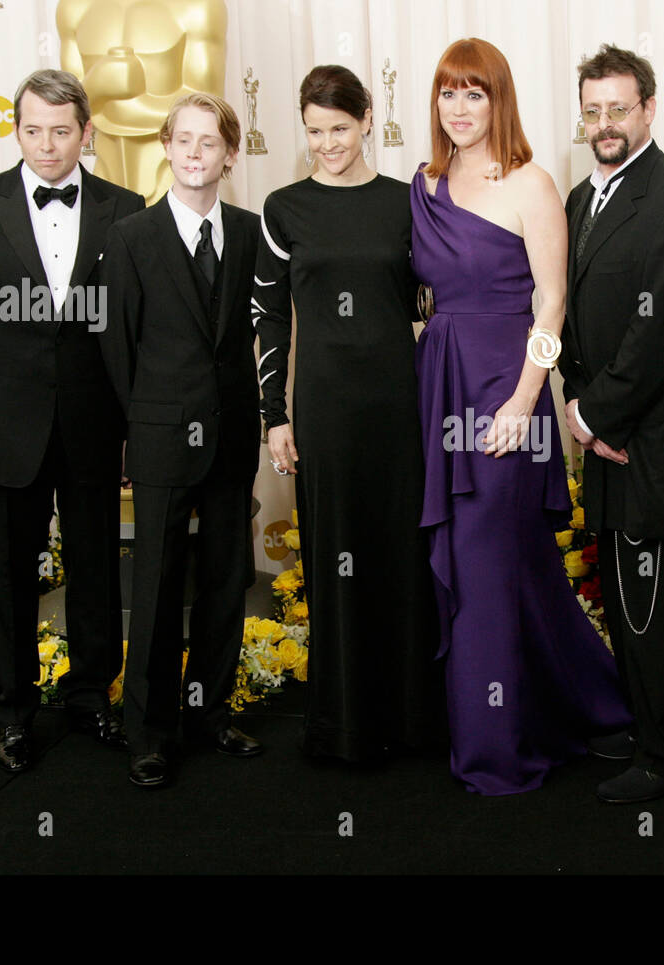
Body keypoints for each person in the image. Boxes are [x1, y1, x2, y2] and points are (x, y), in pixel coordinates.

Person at [411, 37, 631, 795]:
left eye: (475, 93)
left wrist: (525, 398)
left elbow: (553, 300)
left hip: (510, 388)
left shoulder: (532, 183)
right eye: (448, 93)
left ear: (498, 99)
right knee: (516, 571)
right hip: (441, 378)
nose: (460, 108)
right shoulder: (425, 181)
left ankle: (495, 751)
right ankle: (578, 698)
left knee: (485, 566)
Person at [0, 69, 143, 773]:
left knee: (96, 573)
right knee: (13, 576)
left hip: (93, 428)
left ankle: (89, 696)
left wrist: (136, 432)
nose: (45, 146)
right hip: (1, 432)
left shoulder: (127, 206)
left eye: (60, 131)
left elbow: (135, 331)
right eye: (31, 130)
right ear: (15, 130)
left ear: (87, 133)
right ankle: (13, 711)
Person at [253, 65, 441, 762]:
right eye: (313, 131)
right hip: (324, 410)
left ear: (368, 119)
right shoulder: (283, 207)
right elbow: (269, 317)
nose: (327, 143)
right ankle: (343, 725)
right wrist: (275, 415)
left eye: (339, 128)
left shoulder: (409, 200)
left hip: (401, 407)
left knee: (401, 558)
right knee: (337, 563)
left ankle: (412, 721)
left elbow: (433, 300)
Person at [561, 45, 664, 804]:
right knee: (629, 601)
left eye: (618, 108)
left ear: (650, 109)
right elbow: (571, 316)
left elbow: (661, 334)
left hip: (653, 443)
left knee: (659, 605)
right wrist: (581, 404)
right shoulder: (581, 198)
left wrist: (589, 412)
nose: (605, 123)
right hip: (611, 437)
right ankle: (653, 728)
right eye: (593, 110)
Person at [98, 92, 263, 788]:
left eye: (210, 142)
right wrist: (141, 431)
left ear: (230, 152)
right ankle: (150, 731)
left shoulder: (253, 232)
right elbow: (117, 349)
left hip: (231, 438)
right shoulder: (132, 238)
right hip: (163, 438)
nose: (196, 153)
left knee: (228, 580)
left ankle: (212, 713)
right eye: (184, 140)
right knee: (159, 585)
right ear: (166, 146)